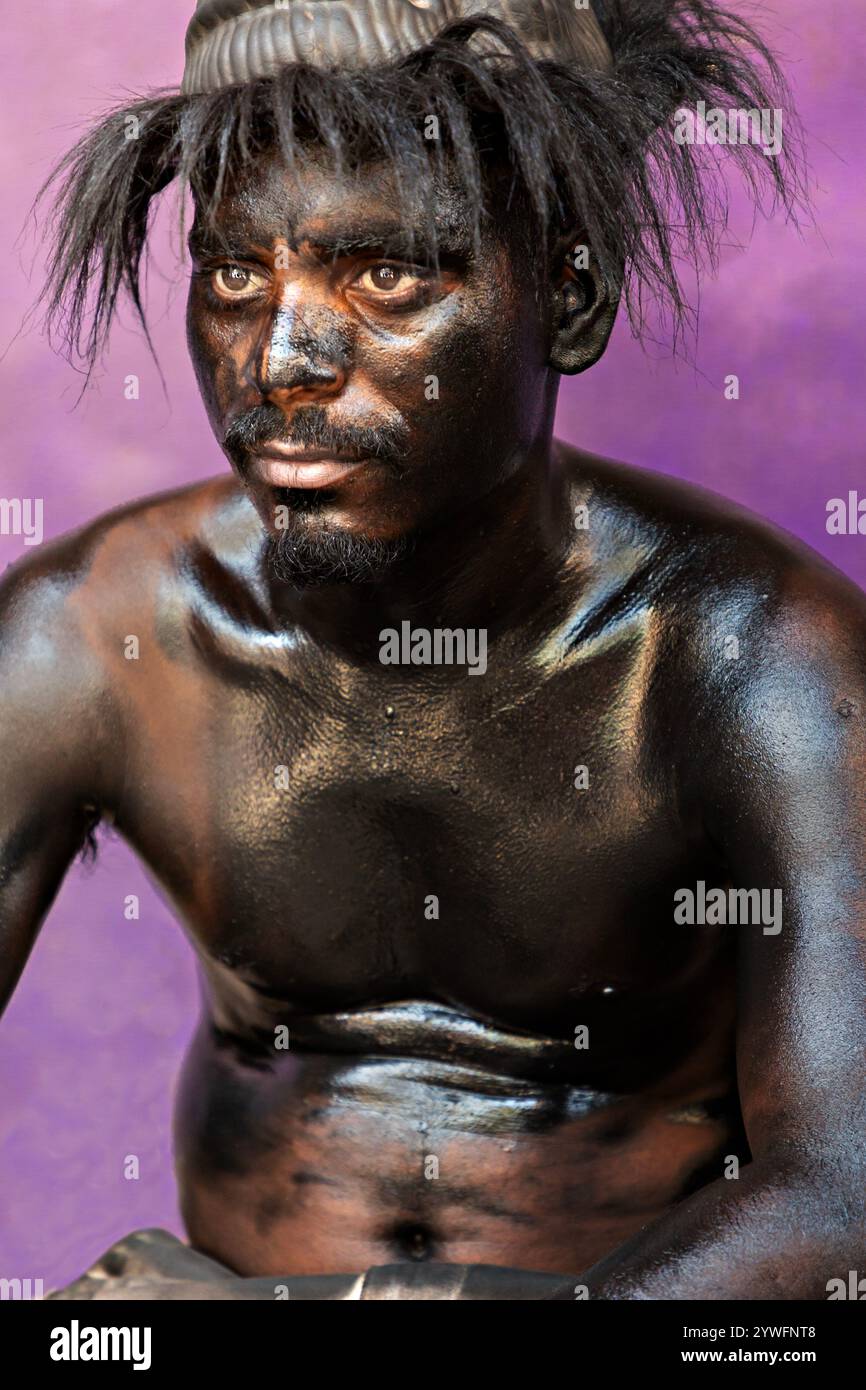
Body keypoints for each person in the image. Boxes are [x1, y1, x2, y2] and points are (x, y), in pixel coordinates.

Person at [4, 0, 864, 1300]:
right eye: (236, 273)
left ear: (564, 295)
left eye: (385, 275)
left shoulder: (751, 658)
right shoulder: (97, 640)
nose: (281, 358)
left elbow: (842, 1198)